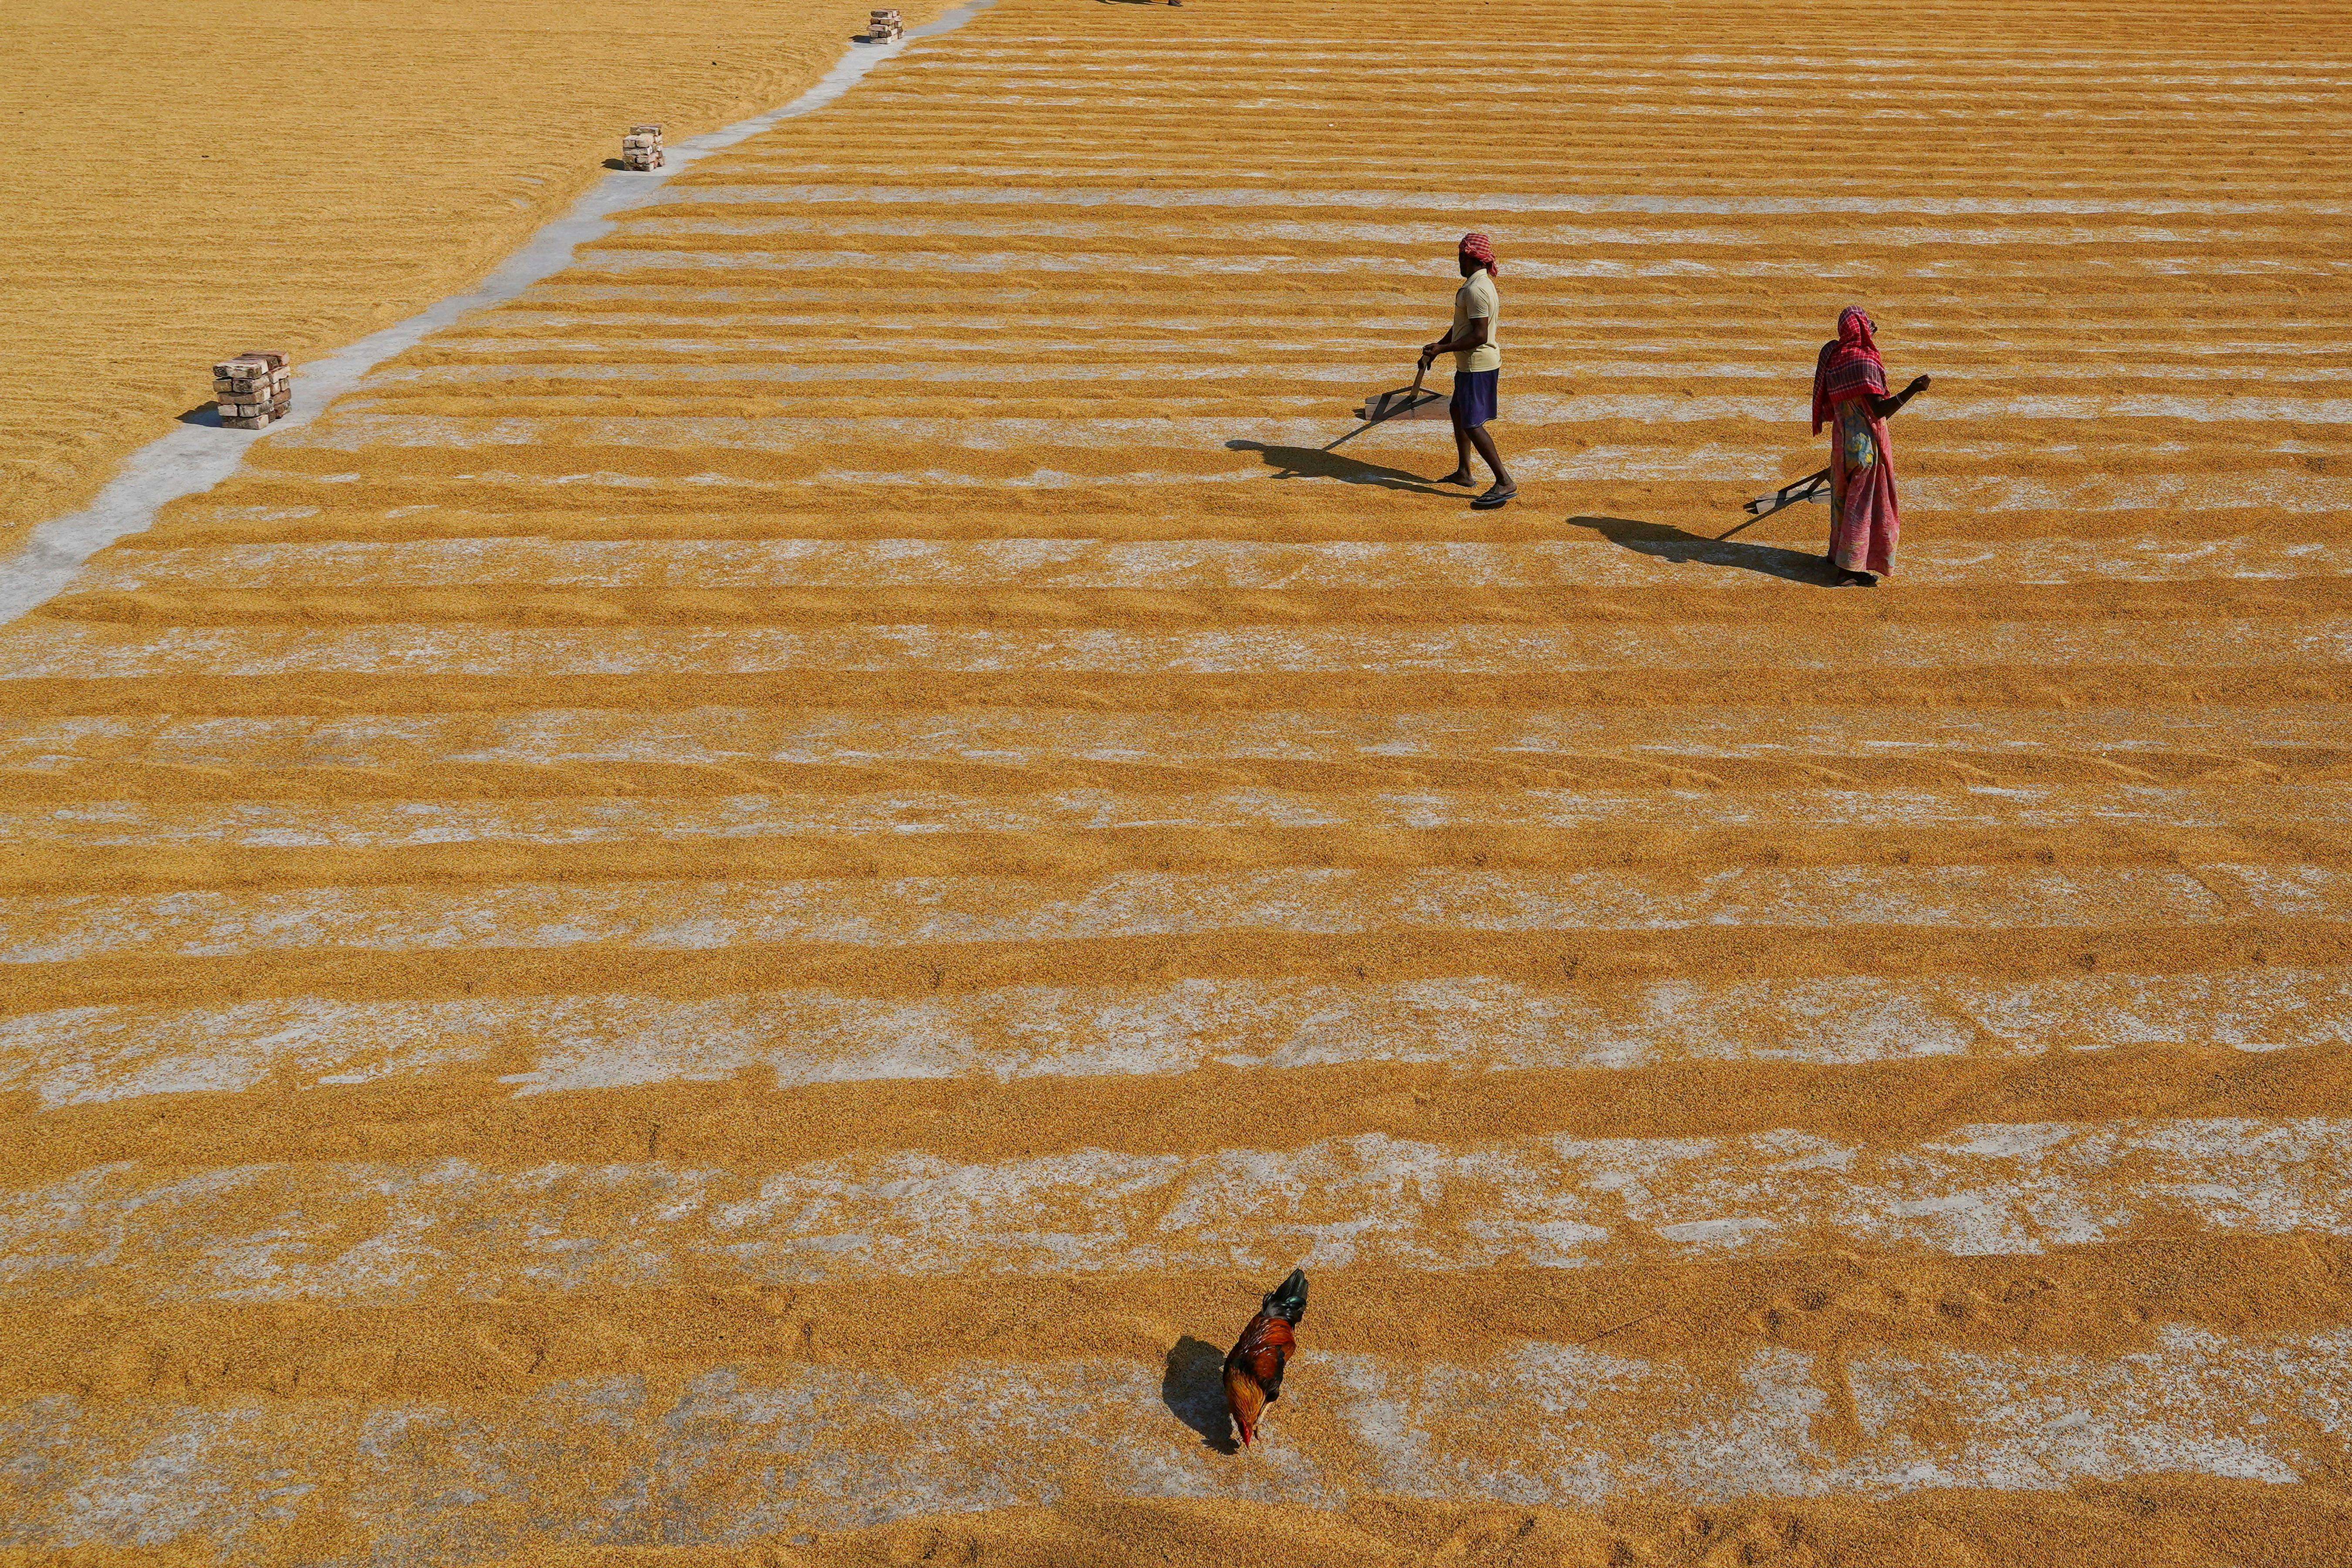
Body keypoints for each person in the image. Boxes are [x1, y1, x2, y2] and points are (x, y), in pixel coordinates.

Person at [1812, 306, 1929, 585]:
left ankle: (1838, 556)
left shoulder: (1834, 356)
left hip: (1843, 445)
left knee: (1843, 500)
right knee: (1862, 507)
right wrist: (1913, 389)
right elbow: (1879, 411)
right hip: (1866, 448)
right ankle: (1848, 570)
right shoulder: (1864, 362)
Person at [1419, 233, 1515, 510]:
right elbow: (1463, 325)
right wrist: (1440, 345)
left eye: (1460, 256)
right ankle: (1464, 473)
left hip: (1478, 366)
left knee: (1472, 424)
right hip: (1469, 365)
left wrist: (1442, 350)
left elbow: (1479, 335)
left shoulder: (1477, 290)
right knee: (1458, 412)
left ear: (1470, 257)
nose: (1458, 262)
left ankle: (1504, 481)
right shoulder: (1475, 285)